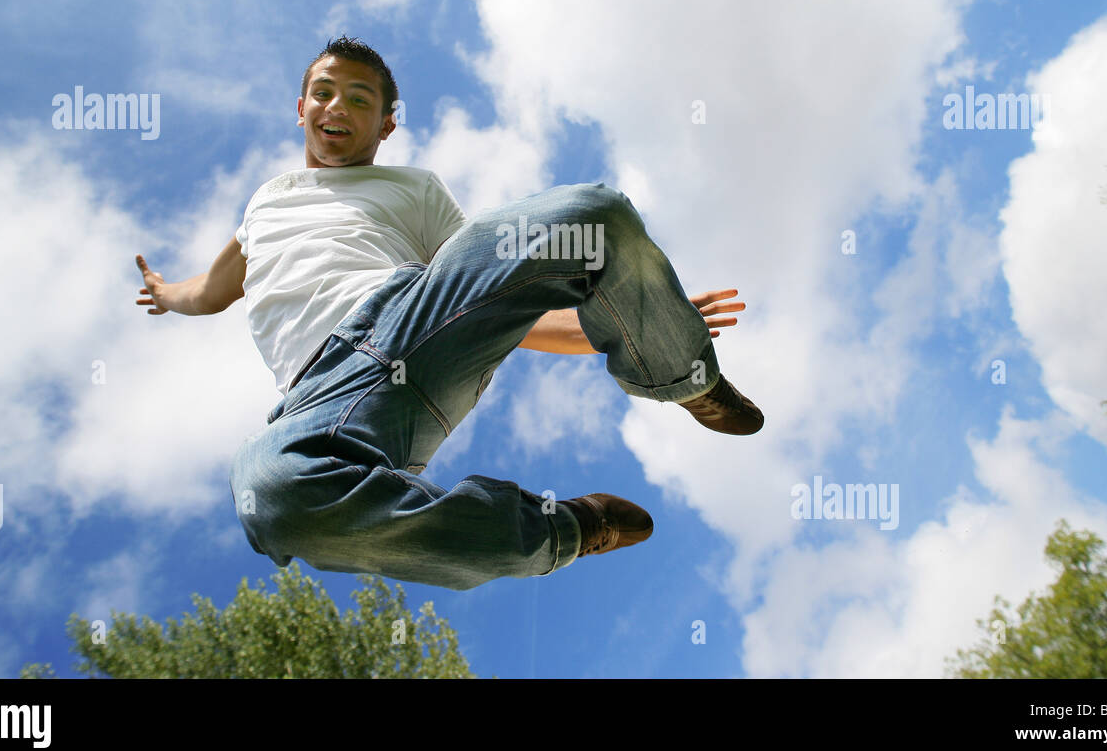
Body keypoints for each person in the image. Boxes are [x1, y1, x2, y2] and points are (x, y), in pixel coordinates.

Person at [135, 36, 763, 591]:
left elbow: (497, 299)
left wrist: (640, 318)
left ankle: (687, 378)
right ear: (302, 109)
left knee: (593, 216)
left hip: (410, 322)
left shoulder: (414, 189)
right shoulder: (264, 205)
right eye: (323, 93)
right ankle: (568, 528)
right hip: (322, 399)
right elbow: (211, 292)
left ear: (385, 124)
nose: (338, 107)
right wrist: (164, 293)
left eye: (360, 99)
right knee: (271, 495)